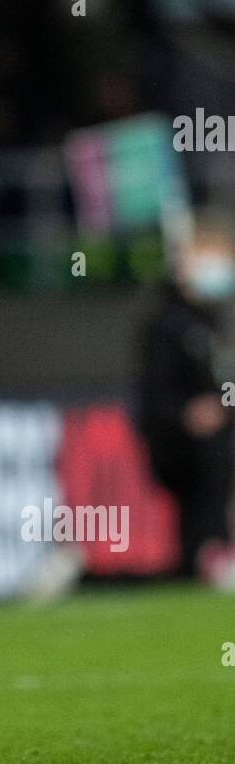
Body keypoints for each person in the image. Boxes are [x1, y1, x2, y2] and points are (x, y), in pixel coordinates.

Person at [136, 215, 235, 583]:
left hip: (213, 435)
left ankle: (207, 555)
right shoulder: (167, 325)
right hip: (176, 442)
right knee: (206, 473)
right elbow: (153, 394)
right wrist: (185, 415)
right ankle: (208, 555)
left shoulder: (212, 319)